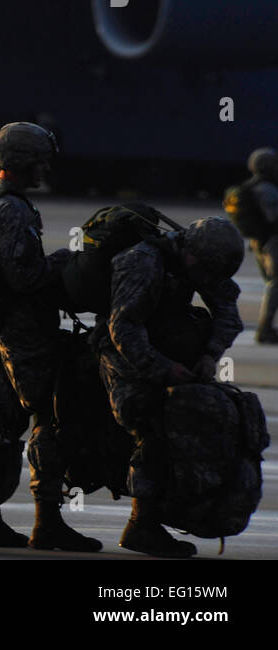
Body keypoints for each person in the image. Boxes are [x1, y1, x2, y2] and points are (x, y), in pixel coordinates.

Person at [0, 121, 100, 552]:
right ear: (21, 161)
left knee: (3, 423)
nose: (44, 168)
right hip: (23, 336)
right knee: (49, 420)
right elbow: (23, 277)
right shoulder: (13, 209)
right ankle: (48, 522)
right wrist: (63, 263)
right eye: (40, 160)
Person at [95, 217, 244, 557]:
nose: (206, 279)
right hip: (125, 353)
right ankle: (141, 526)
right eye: (204, 270)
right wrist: (162, 370)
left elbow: (228, 314)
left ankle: (167, 510)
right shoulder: (143, 261)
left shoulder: (204, 263)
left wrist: (209, 355)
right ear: (191, 254)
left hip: (164, 347)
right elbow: (124, 328)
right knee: (152, 422)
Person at [240, 148, 278, 344]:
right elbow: (273, 216)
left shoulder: (253, 186)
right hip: (272, 242)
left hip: (260, 243)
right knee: (275, 283)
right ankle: (265, 329)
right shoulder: (266, 189)